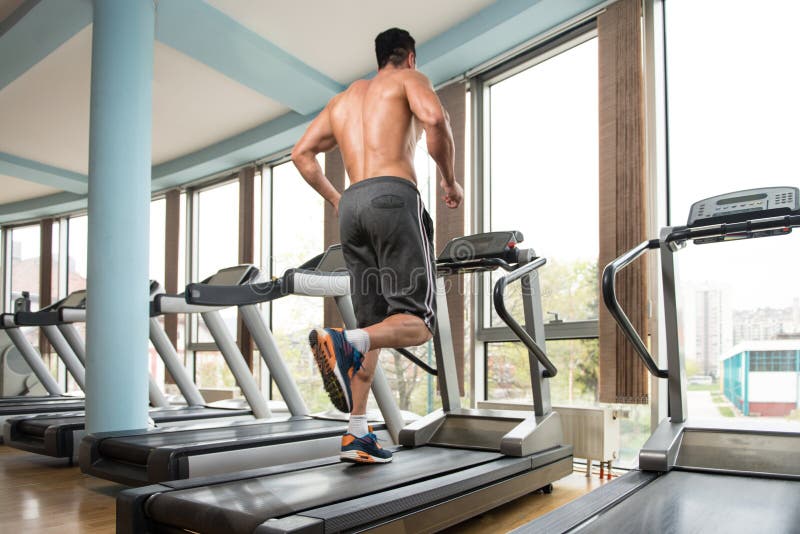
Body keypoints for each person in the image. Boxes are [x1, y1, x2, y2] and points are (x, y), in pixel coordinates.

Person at [292, 27, 462, 464]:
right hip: (392, 196)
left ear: (378, 57)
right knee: (418, 323)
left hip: (352, 206)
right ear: (409, 57)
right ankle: (342, 340)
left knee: (373, 332)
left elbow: (301, 154)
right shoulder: (408, 80)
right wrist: (449, 179)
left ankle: (355, 433)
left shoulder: (343, 100)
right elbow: (435, 119)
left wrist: (337, 199)